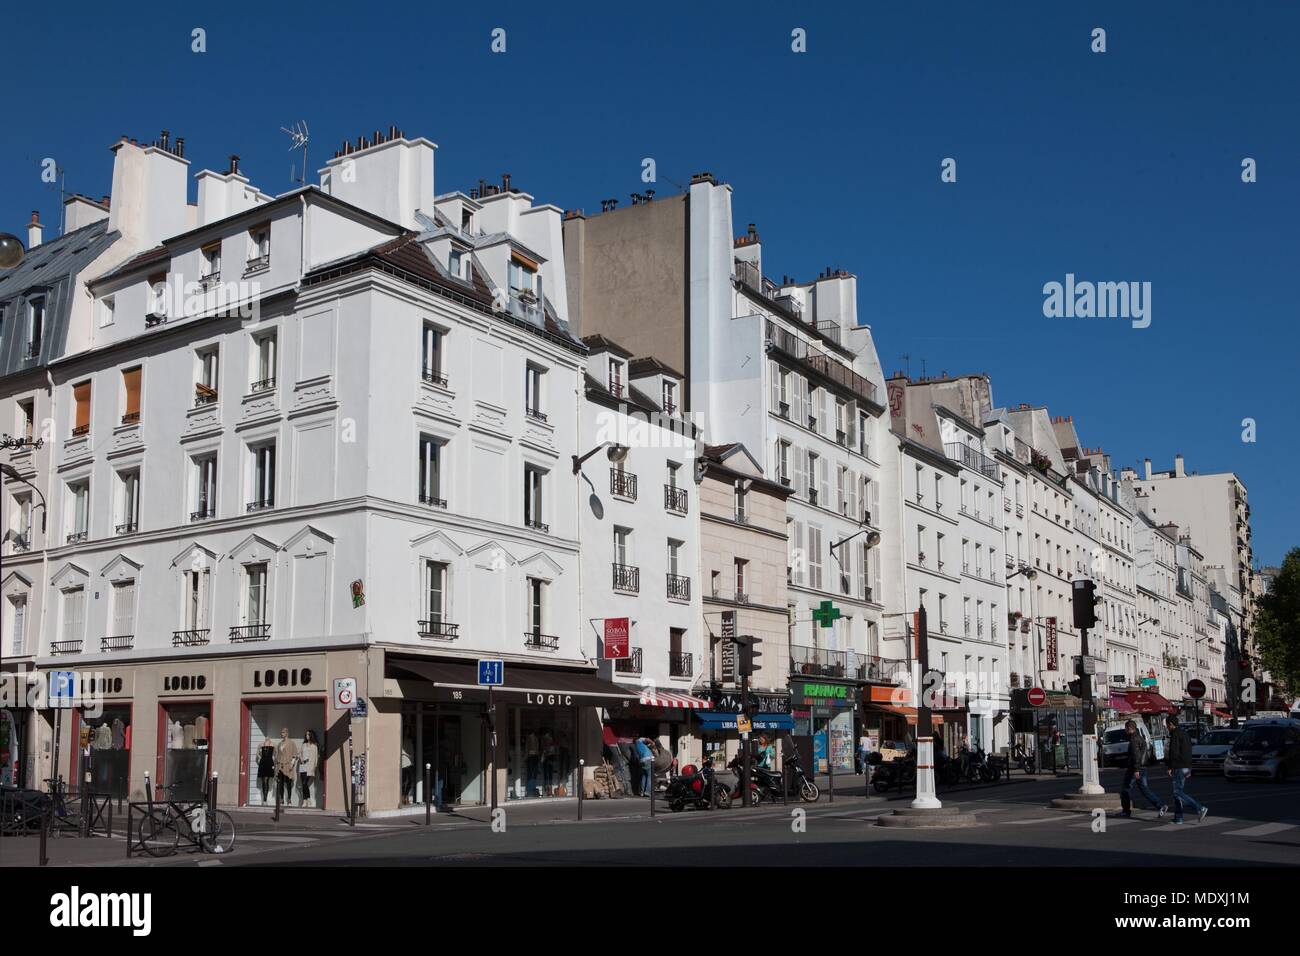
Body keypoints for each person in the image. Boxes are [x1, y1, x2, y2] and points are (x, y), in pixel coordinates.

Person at [1164, 715, 1208, 824]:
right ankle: (1178, 817)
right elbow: (1188, 751)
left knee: (1177, 792)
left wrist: (1170, 767)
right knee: (1178, 792)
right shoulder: (1185, 734)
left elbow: (1174, 753)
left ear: (1171, 724)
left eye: (1167, 725)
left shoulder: (1175, 735)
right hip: (1185, 766)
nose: (1167, 728)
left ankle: (1199, 808)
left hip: (1178, 766)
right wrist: (1189, 768)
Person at [1119, 720, 1167, 818]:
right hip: (1143, 767)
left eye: (1125, 728)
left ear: (1129, 728)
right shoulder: (1140, 737)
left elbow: (1136, 755)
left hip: (1135, 768)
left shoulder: (1134, 739)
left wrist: (1136, 769)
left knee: (1125, 789)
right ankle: (1160, 805)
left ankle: (1126, 811)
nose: (1125, 730)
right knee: (1144, 789)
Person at [602, 723, 631, 796]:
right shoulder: (612, 731)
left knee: (619, 774)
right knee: (621, 774)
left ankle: (621, 790)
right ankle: (623, 790)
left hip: (615, 756)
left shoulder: (607, 730)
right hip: (616, 754)